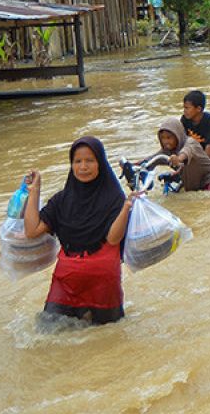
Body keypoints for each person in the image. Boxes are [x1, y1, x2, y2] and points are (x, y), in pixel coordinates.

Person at [23, 136, 136, 325]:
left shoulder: (114, 197)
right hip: (67, 280)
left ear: (100, 163)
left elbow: (113, 239)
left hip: (103, 282)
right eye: (77, 161)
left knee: (107, 334)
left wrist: (125, 209)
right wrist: (34, 191)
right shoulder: (62, 200)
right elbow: (32, 231)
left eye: (90, 160)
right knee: (46, 329)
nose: (83, 167)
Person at [159, 117, 210, 191]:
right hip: (193, 176)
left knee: (208, 197)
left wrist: (178, 159)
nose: (165, 141)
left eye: (169, 138)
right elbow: (152, 158)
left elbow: (185, 152)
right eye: (162, 138)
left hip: (209, 176)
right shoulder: (167, 149)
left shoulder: (190, 143)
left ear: (177, 135)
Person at [181, 90, 210, 170]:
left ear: (198, 109)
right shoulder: (184, 120)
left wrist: (201, 167)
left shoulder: (209, 120)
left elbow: (209, 146)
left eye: (187, 108)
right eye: (184, 107)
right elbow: (182, 142)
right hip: (195, 157)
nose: (184, 111)